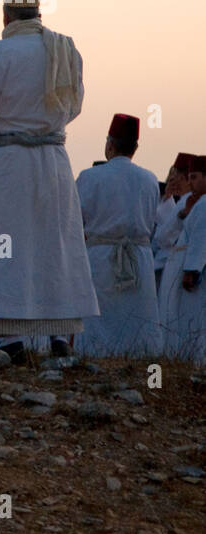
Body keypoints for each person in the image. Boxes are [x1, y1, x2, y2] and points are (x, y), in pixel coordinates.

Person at [0, 0, 99, 360]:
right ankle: (59, 336)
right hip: (53, 160)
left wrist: (0, 131)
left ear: (5, 13)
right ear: (39, 10)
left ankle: (10, 339)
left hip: (9, 163)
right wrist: (45, 128)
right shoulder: (65, 50)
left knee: (8, 242)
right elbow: (74, 105)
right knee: (54, 242)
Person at [74, 114, 161, 358]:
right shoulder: (150, 179)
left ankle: (94, 357)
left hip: (101, 257)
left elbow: (74, 220)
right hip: (139, 258)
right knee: (135, 317)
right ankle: (140, 357)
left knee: (101, 316)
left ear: (109, 145)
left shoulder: (90, 177)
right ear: (135, 148)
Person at [161, 156, 206, 361]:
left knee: (194, 319)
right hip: (188, 267)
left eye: (194, 177)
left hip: (195, 273)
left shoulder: (203, 204)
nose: (192, 182)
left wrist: (191, 270)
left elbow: (200, 238)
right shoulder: (195, 203)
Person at [152, 153, 194, 292]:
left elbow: (163, 238)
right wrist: (167, 198)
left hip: (179, 265)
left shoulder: (186, 202)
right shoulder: (181, 201)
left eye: (177, 177)